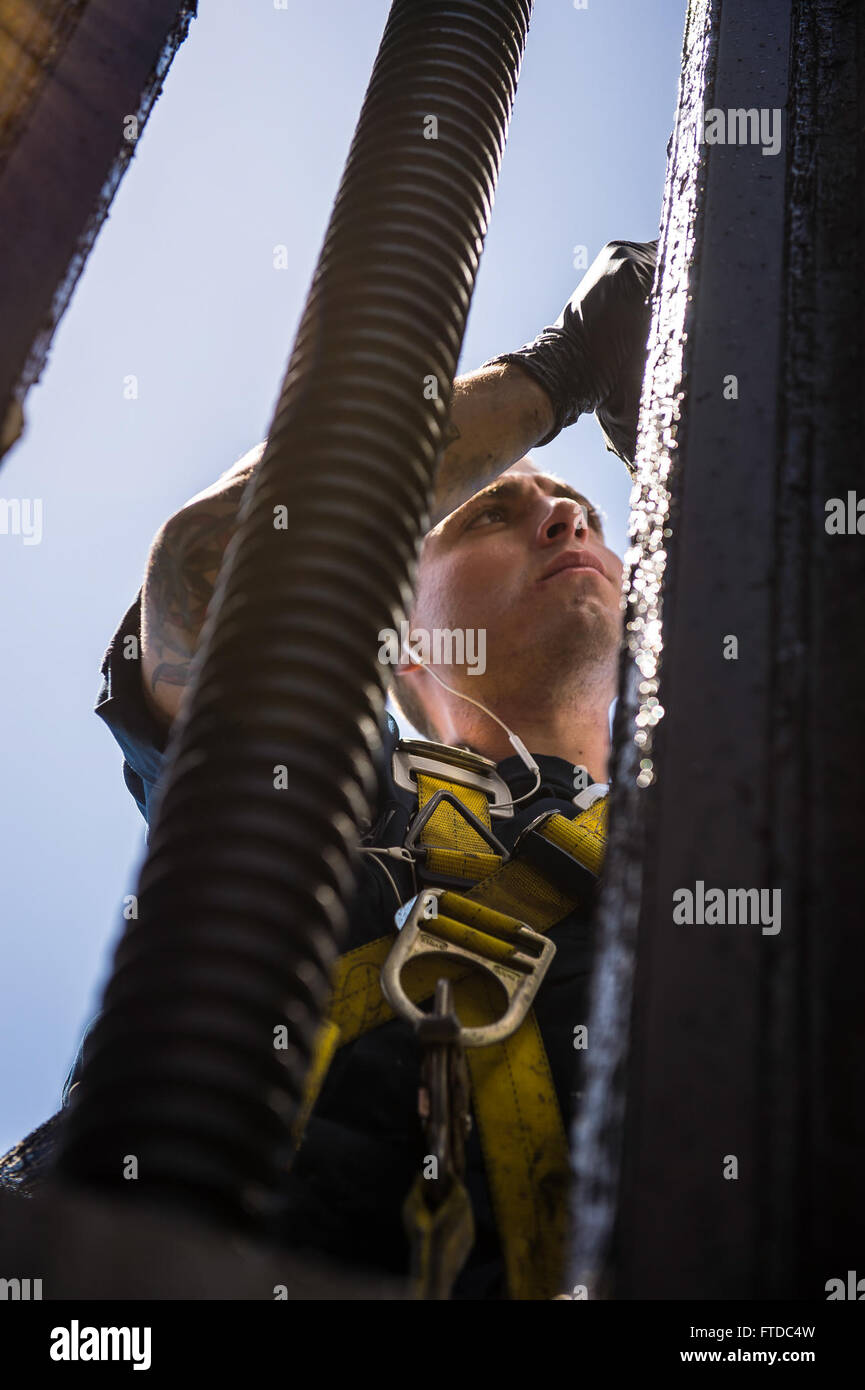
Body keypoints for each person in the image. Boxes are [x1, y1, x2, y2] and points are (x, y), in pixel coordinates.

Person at [7, 240, 656, 1297]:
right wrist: (563, 368)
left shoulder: (735, 841)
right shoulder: (345, 805)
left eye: (582, 512)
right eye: (491, 510)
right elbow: (216, 565)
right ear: (396, 639)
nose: (564, 515)